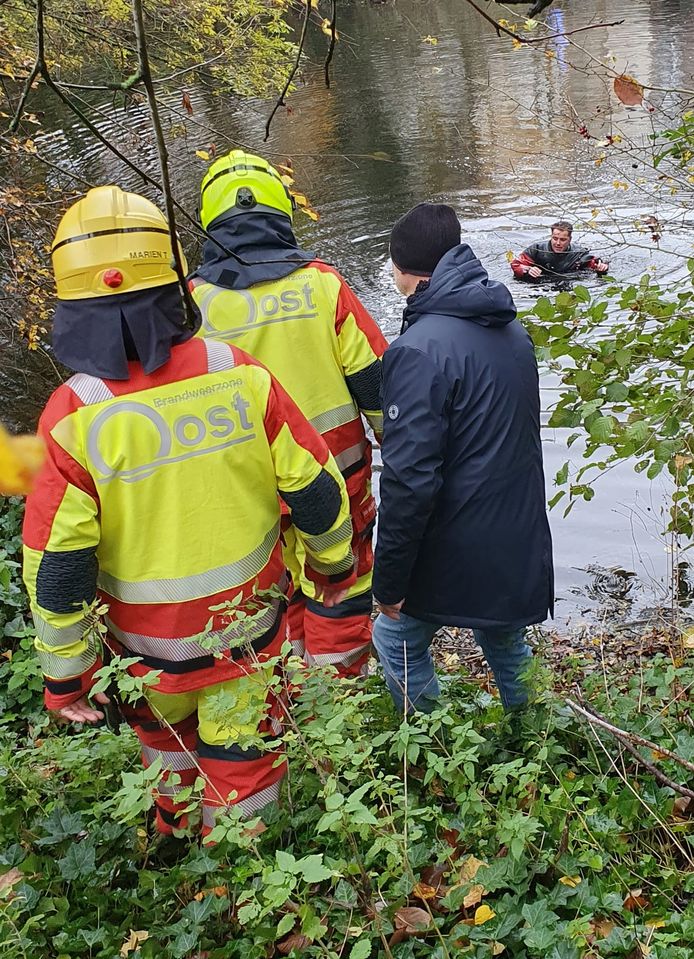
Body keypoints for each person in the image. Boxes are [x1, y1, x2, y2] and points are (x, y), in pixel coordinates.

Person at [22, 186, 356, 836]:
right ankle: (248, 884)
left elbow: (57, 570)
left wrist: (67, 678)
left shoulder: (72, 416)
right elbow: (317, 490)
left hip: (143, 659)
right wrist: (334, 567)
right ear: (173, 282)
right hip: (249, 641)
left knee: (167, 761)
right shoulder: (240, 374)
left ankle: (176, 851)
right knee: (245, 771)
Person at [189, 150, 388, 678]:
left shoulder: (190, 306)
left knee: (268, 598)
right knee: (340, 586)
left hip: (245, 494)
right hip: (338, 479)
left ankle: (290, 695)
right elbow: (377, 386)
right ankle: (339, 702)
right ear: (281, 213)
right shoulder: (323, 285)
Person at [372, 203, 554, 714]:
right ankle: (534, 734)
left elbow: (409, 481)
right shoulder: (510, 330)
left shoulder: (417, 350)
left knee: (395, 639)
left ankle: (435, 754)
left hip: (457, 541)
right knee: (506, 643)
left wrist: (389, 584)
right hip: (517, 532)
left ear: (403, 270)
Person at [510, 221, 609, 280]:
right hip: (540, 284)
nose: (557, 243)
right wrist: (528, 269)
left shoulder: (579, 253)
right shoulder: (536, 249)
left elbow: (595, 264)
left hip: (567, 280)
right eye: (555, 238)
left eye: (562, 240)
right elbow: (516, 264)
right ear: (551, 236)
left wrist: (602, 268)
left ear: (570, 239)